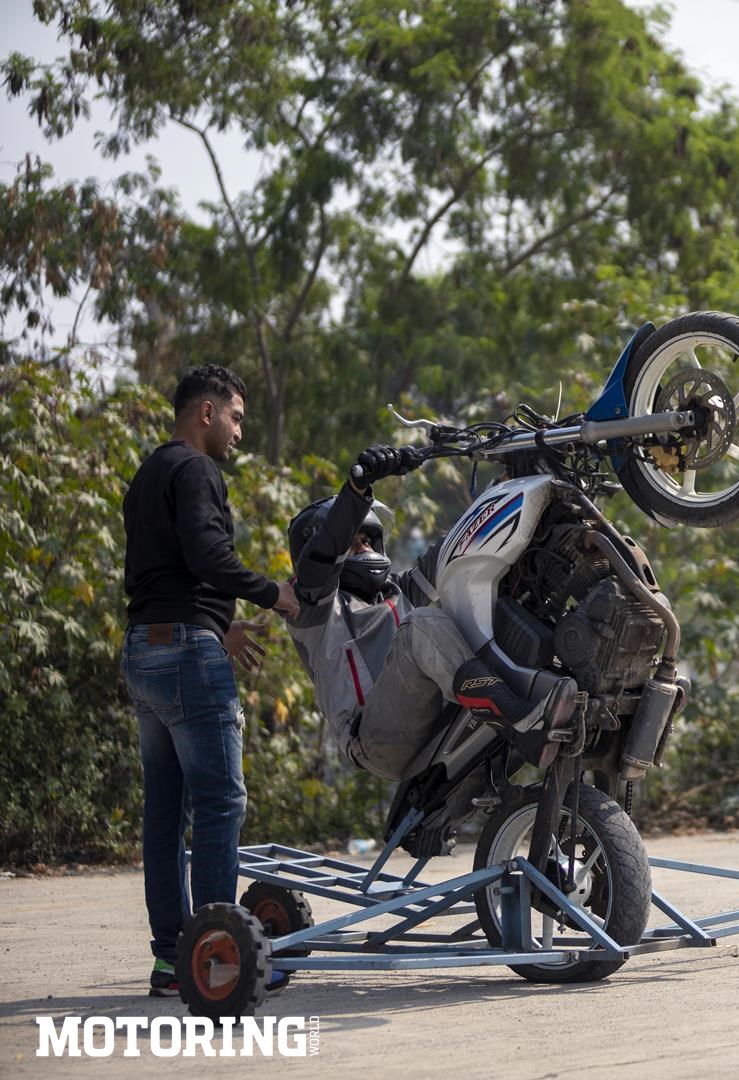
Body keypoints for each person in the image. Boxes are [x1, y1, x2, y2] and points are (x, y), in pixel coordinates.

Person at [120, 364, 300, 997]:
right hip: (186, 657)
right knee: (221, 803)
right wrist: (273, 594)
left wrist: (215, 623)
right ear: (206, 412)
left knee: (165, 812)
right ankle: (221, 956)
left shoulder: (148, 474)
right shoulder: (198, 470)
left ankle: (173, 961)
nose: (239, 433)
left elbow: (164, 573)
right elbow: (206, 556)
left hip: (145, 650)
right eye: (237, 417)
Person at [284, 445, 575, 785]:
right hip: (376, 740)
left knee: (488, 593)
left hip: (430, 714)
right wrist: (357, 487)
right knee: (422, 624)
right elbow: (321, 560)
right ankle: (519, 721)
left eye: (366, 539)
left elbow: (456, 546)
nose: (362, 546)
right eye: (352, 542)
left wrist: (513, 479)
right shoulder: (313, 612)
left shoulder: (399, 592)